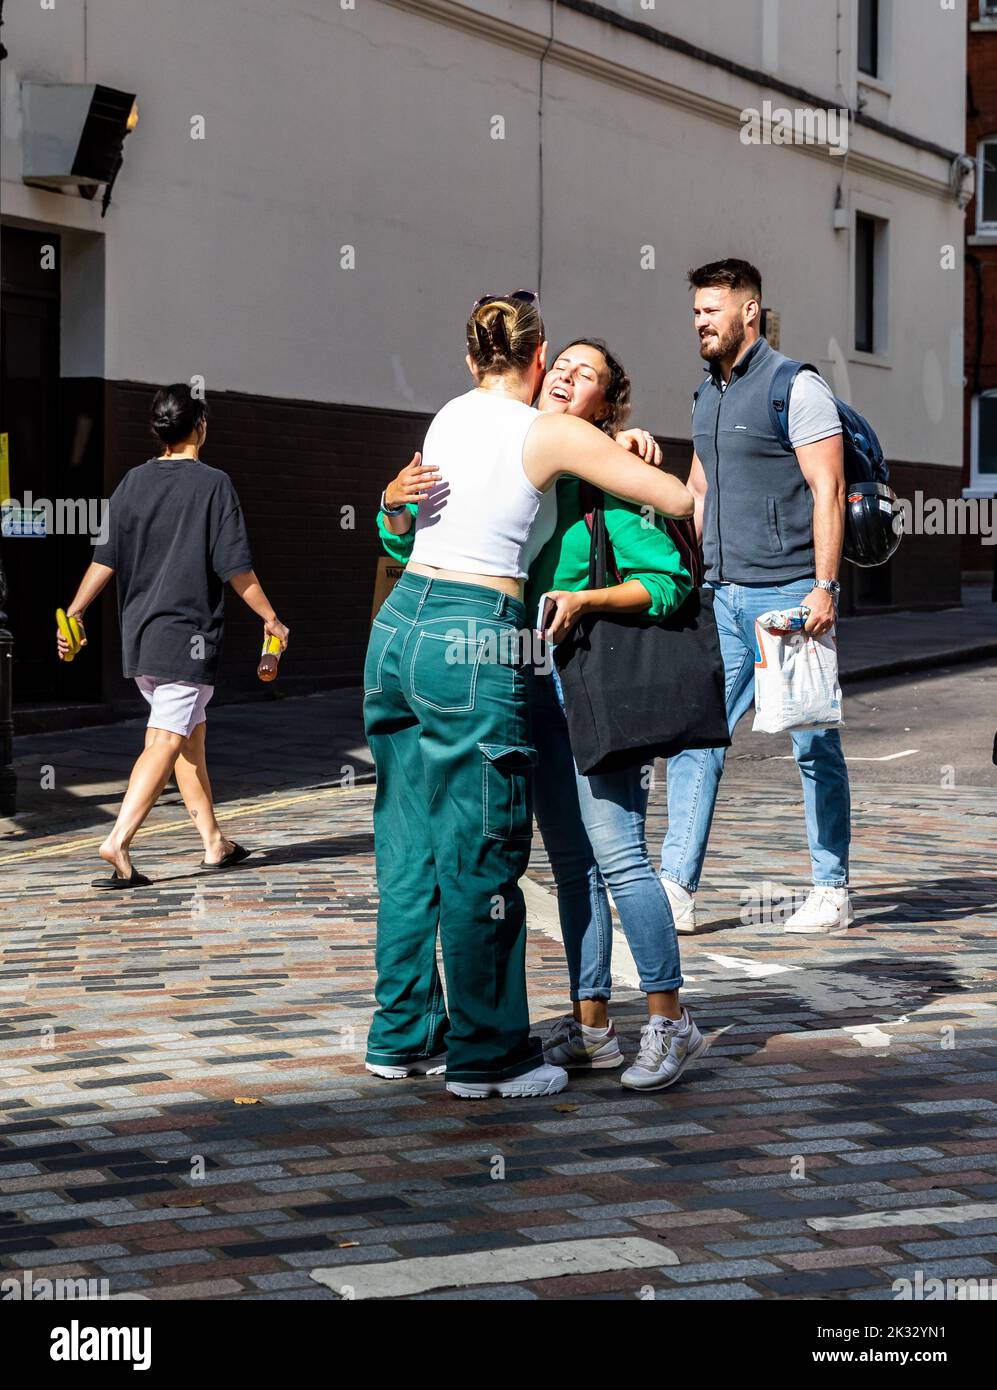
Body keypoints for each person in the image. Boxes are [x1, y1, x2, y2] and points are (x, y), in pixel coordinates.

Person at [363, 294, 695, 1101]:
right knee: (483, 851)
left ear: (472, 357)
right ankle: (488, 1057)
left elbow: (421, 520)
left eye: (591, 375)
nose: (568, 376)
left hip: (397, 628)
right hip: (474, 634)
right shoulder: (547, 433)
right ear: (538, 358)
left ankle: (401, 1039)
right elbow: (683, 501)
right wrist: (626, 453)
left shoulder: (449, 413)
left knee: (408, 849)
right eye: (563, 362)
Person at [659, 259, 852, 935]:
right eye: (694, 312)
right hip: (722, 596)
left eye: (710, 309)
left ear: (749, 310)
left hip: (792, 594)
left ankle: (830, 888)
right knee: (696, 739)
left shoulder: (792, 388)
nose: (699, 322)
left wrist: (823, 588)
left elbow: (826, 490)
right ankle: (676, 887)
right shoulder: (705, 395)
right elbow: (698, 493)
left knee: (811, 746)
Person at [57, 384, 289, 887]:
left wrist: (74, 612)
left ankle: (214, 844)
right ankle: (117, 841)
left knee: (188, 742)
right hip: (187, 638)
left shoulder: (131, 483)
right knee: (166, 738)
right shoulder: (214, 484)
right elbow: (236, 569)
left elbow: (104, 559)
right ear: (200, 427)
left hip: (140, 639)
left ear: (156, 431)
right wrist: (271, 619)